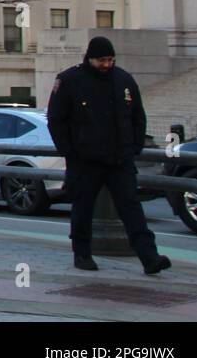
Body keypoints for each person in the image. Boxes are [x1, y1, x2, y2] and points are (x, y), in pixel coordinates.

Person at [47, 36, 171, 274]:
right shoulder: (69, 80)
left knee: (131, 208)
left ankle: (149, 257)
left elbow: (137, 116)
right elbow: (56, 120)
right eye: (101, 60)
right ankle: (82, 254)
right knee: (83, 208)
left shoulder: (123, 79)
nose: (106, 64)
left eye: (110, 59)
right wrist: (69, 152)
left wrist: (134, 146)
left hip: (119, 159)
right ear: (90, 58)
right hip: (85, 160)